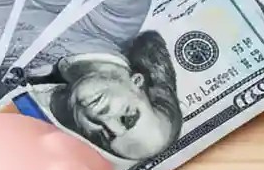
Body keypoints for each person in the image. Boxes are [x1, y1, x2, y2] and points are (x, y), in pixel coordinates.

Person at [23, 30, 182, 162]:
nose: (104, 120)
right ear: (137, 81)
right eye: (127, 118)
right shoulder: (116, 12)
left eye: (106, 135)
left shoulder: (28, 100)